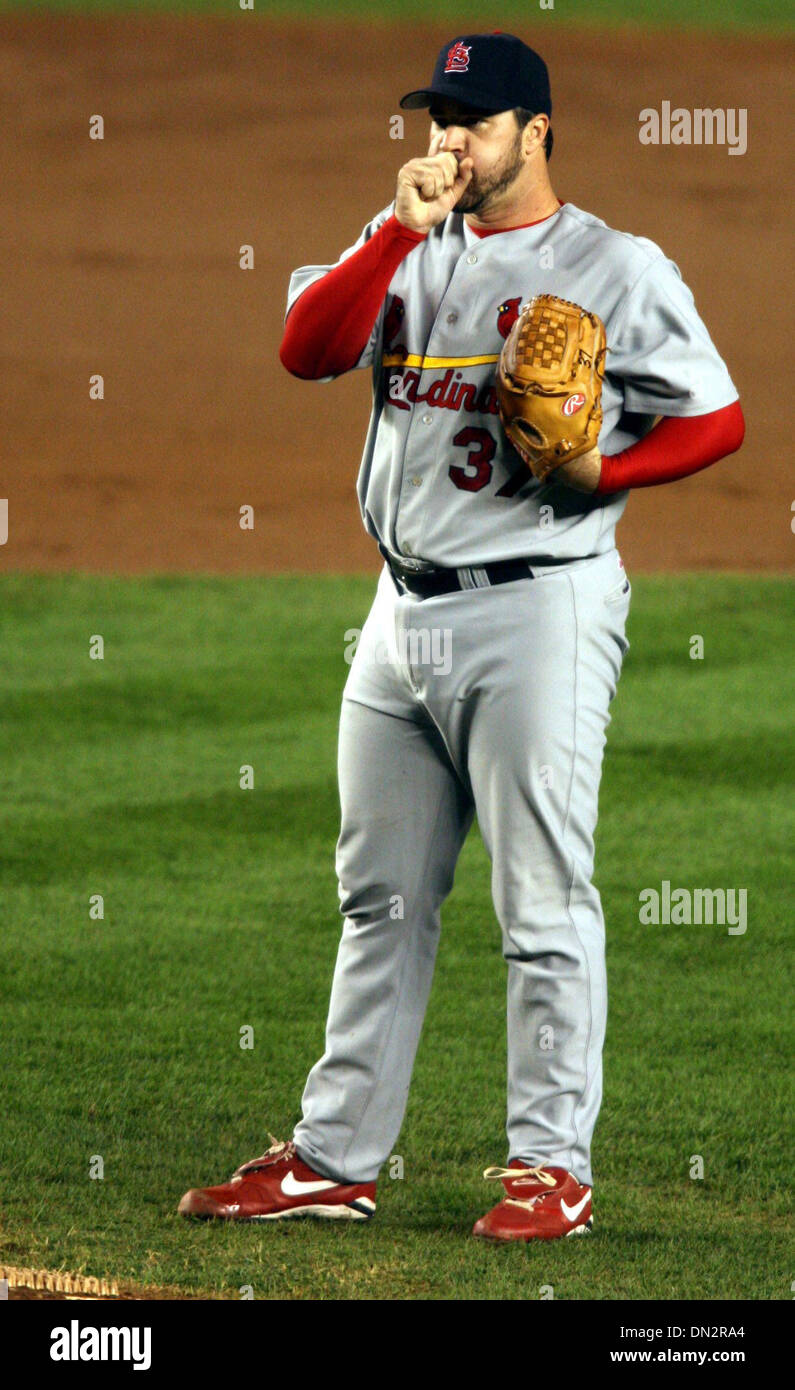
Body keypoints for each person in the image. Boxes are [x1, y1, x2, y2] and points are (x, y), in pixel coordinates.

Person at [179, 31, 744, 1241]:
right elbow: (304, 350)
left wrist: (607, 470)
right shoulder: (403, 247)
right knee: (377, 897)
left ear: (536, 134)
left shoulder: (616, 265)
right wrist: (391, 232)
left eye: (475, 123)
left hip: (539, 604)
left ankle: (552, 1170)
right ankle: (335, 1157)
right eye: (439, 119)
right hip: (398, 614)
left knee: (541, 901)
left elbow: (720, 417)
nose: (449, 141)